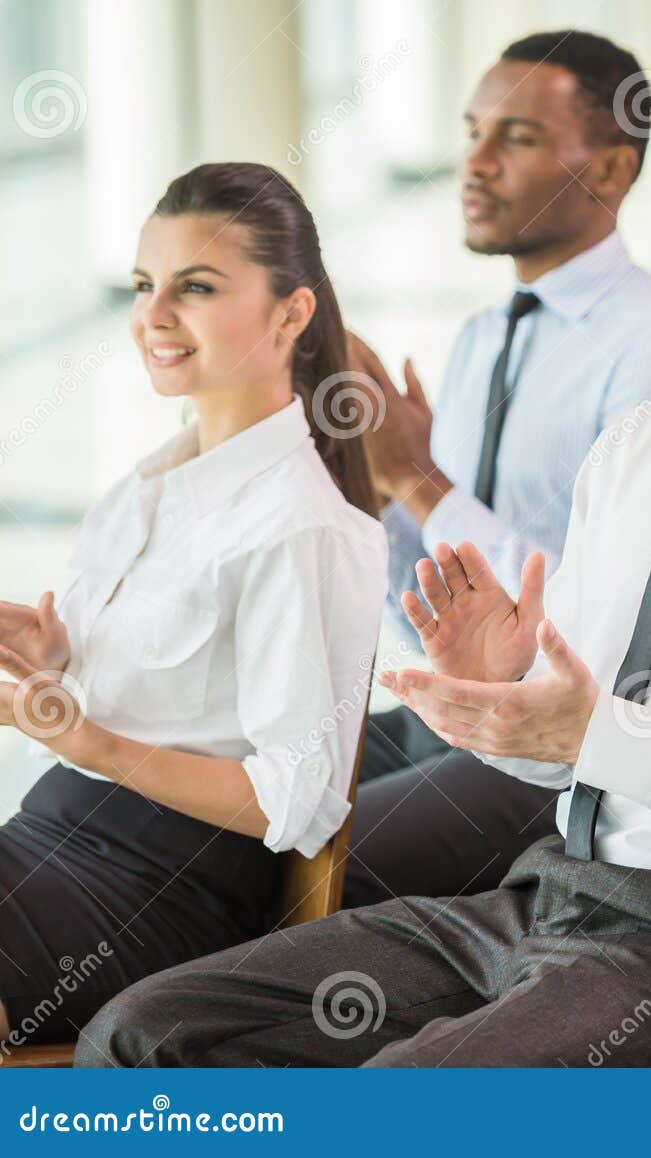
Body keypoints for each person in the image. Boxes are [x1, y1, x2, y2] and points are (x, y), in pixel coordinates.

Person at [78, 31, 651, 1069]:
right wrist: (499, 704)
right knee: (146, 1035)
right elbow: (577, 736)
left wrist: (603, 735)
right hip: (556, 897)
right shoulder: (642, 447)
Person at [0, 162, 386, 1049]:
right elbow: (164, 700)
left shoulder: (300, 528)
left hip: (155, 894)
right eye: (144, 285)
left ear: (292, 313)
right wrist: (54, 662)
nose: (153, 317)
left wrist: (89, 740)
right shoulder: (144, 491)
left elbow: (303, 801)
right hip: (49, 838)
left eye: (196, 288)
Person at [340, 30, 651, 909]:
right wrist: (383, 489)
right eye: (472, 132)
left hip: (561, 745)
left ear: (614, 173)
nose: (475, 162)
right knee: (239, 799)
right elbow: (432, 610)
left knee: (313, 857)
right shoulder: (481, 337)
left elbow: (599, 620)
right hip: (458, 713)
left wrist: (425, 482)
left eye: (517, 138)